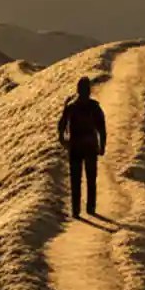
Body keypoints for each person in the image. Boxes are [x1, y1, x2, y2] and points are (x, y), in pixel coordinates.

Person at [57, 77, 107, 218]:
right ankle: (90, 208)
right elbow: (102, 129)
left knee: (76, 180)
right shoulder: (94, 107)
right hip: (90, 147)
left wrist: (63, 140)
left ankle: (76, 211)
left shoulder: (72, 107)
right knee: (90, 179)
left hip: (76, 147)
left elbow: (61, 125)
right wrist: (102, 146)